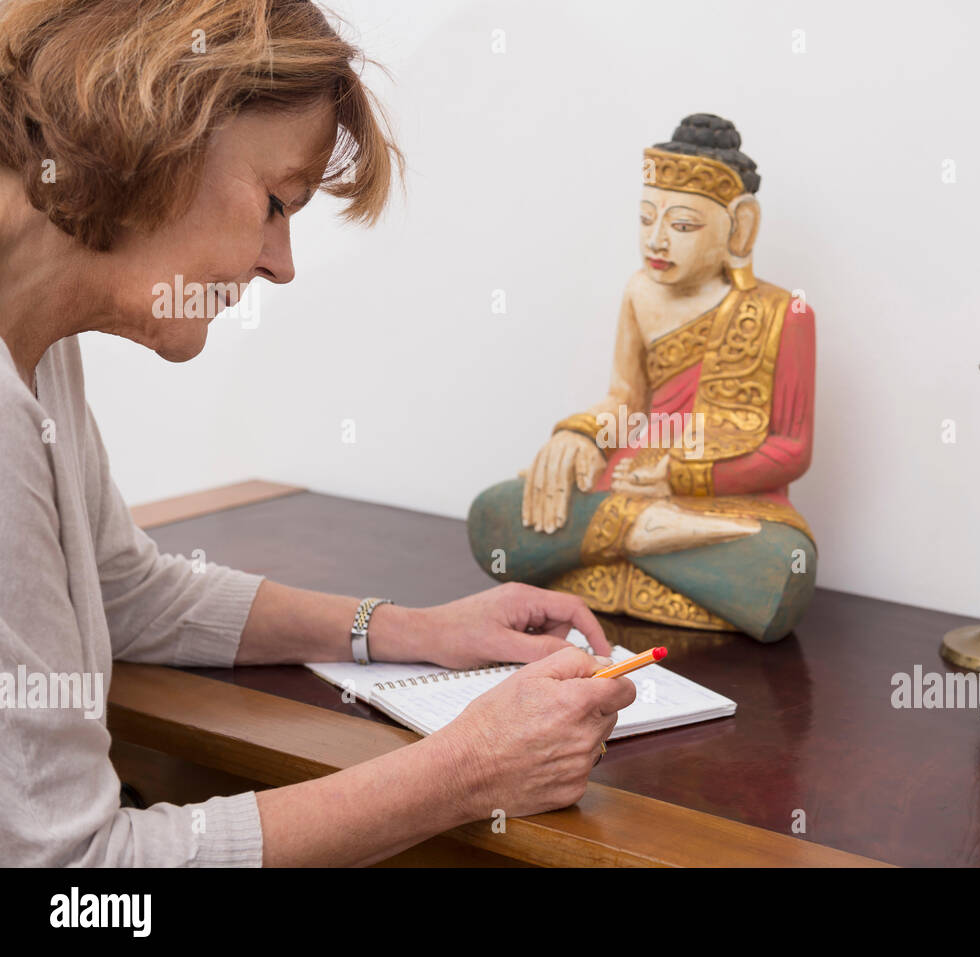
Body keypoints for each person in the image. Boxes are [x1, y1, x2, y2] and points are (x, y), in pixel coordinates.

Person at [0, 0, 635, 867]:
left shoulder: (35, 335)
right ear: (156, 125)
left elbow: (123, 591)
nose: (281, 262)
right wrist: (471, 769)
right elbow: (76, 879)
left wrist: (411, 631)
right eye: (275, 201)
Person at [467, 114, 818, 642]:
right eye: (646, 219)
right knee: (494, 514)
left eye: (681, 226)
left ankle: (610, 546)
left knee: (785, 565)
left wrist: (682, 479)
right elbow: (626, 401)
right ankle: (649, 536)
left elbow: (791, 449)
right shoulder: (640, 293)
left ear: (740, 226)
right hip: (631, 481)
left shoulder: (783, 311)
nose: (656, 240)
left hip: (726, 499)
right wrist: (579, 433)